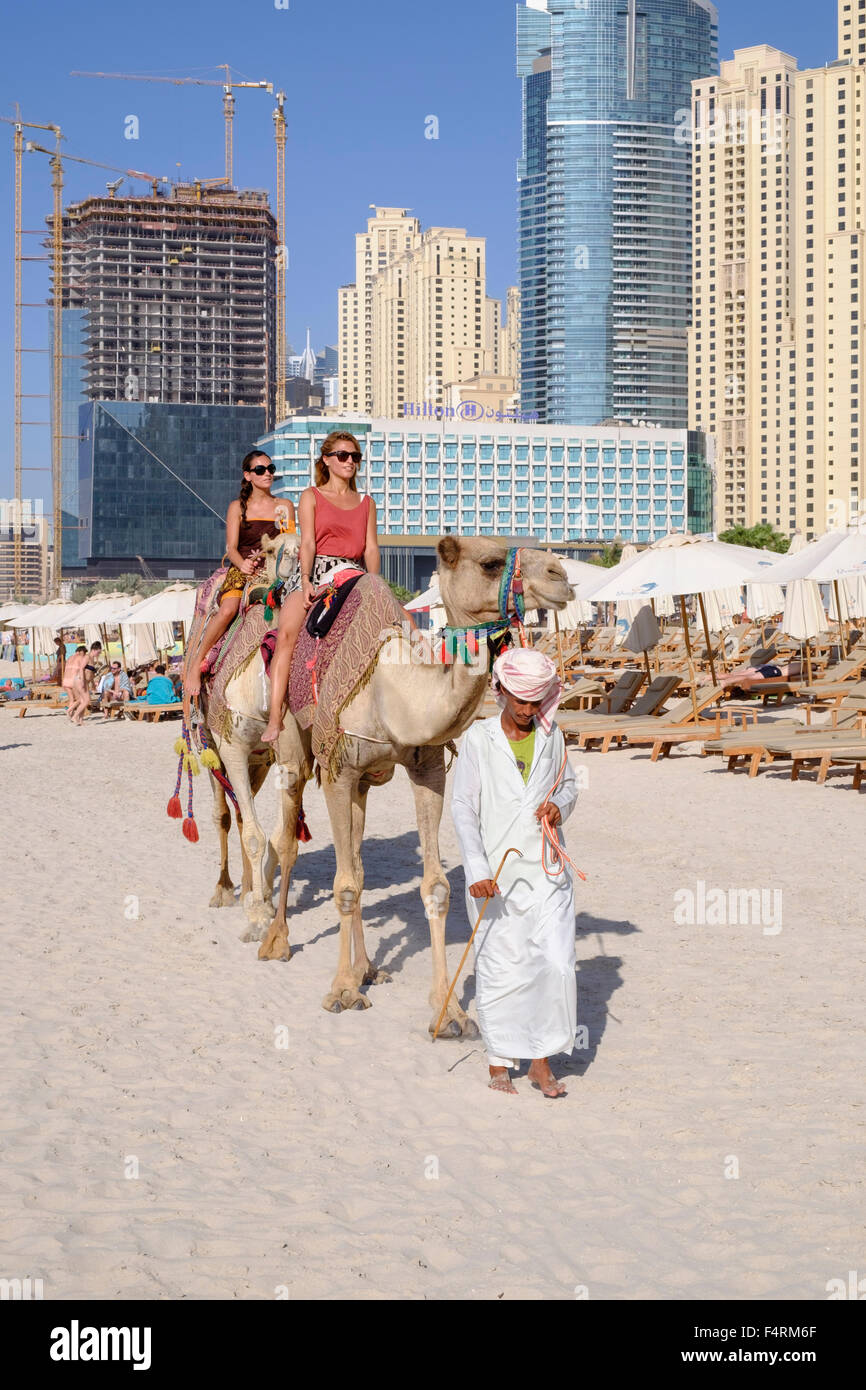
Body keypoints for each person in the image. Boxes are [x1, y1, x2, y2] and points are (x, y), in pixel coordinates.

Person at [451, 648, 579, 1099]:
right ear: (500, 690)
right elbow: (464, 808)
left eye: (535, 700)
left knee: (555, 962)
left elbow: (568, 784)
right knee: (503, 965)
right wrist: (477, 870)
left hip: (547, 868)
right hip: (495, 876)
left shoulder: (554, 735)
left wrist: (558, 808)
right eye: (520, 700)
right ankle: (499, 1059)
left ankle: (541, 1062)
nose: (528, 710)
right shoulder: (478, 740)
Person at [261, 431, 380, 744]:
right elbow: (310, 542)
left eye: (355, 456)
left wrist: (376, 585)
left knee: (398, 629)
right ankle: (275, 717)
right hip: (317, 571)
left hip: (353, 575)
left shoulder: (367, 503)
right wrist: (305, 580)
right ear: (326, 460)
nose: (350, 461)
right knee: (287, 634)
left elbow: (370, 549)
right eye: (343, 455)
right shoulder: (311, 496)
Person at [183, 451, 296, 704]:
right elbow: (231, 548)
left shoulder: (284, 506)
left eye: (271, 468)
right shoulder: (237, 507)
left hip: (276, 571)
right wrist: (243, 565)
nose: (268, 473)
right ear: (248, 475)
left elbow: (290, 543)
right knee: (227, 610)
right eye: (260, 470)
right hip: (243, 568)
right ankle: (196, 664)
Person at [61, 645, 91, 726]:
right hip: (73, 680)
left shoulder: (70, 658)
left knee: (71, 699)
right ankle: (70, 712)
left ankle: (70, 715)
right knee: (80, 700)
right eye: (84, 653)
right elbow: (84, 668)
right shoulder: (81, 658)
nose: (84, 655)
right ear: (82, 652)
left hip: (65, 680)